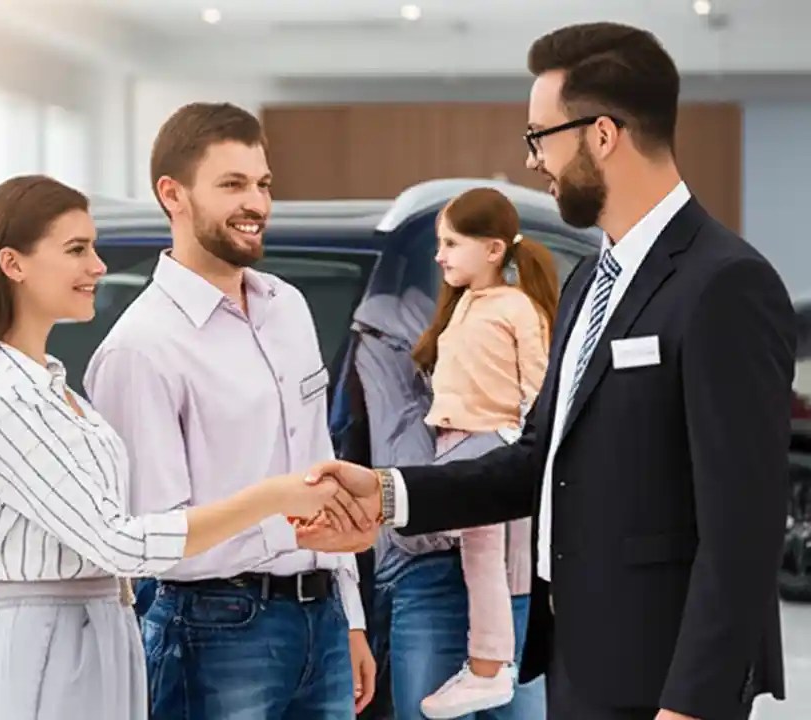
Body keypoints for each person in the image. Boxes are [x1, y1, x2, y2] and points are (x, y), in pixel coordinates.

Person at [300, 21, 795, 720]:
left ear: (601, 135)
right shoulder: (590, 280)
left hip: (665, 682)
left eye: (540, 137)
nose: (533, 160)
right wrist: (387, 493)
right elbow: (536, 461)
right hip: (577, 661)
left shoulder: (725, 285)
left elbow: (743, 529)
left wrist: (691, 705)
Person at [0, 174, 345, 720]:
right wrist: (271, 498)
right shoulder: (3, 396)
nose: (98, 266)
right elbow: (118, 543)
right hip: (54, 641)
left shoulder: (50, 385)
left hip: (101, 625)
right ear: (13, 264)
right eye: (76, 250)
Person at [84, 102, 375, 719]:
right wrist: (278, 506)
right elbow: (154, 540)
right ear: (174, 195)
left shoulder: (288, 308)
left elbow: (318, 461)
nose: (258, 204)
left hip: (320, 621)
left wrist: (348, 616)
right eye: (233, 184)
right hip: (214, 633)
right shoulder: (140, 349)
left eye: (263, 184)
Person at [409, 188, 557, 719]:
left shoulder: (517, 309)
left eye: (451, 243)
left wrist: (518, 442)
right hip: (458, 442)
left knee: (483, 559)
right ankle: (488, 666)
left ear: (493, 250)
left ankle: (490, 668)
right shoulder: (468, 303)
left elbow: (541, 389)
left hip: (488, 442)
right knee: (476, 557)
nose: (440, 254)